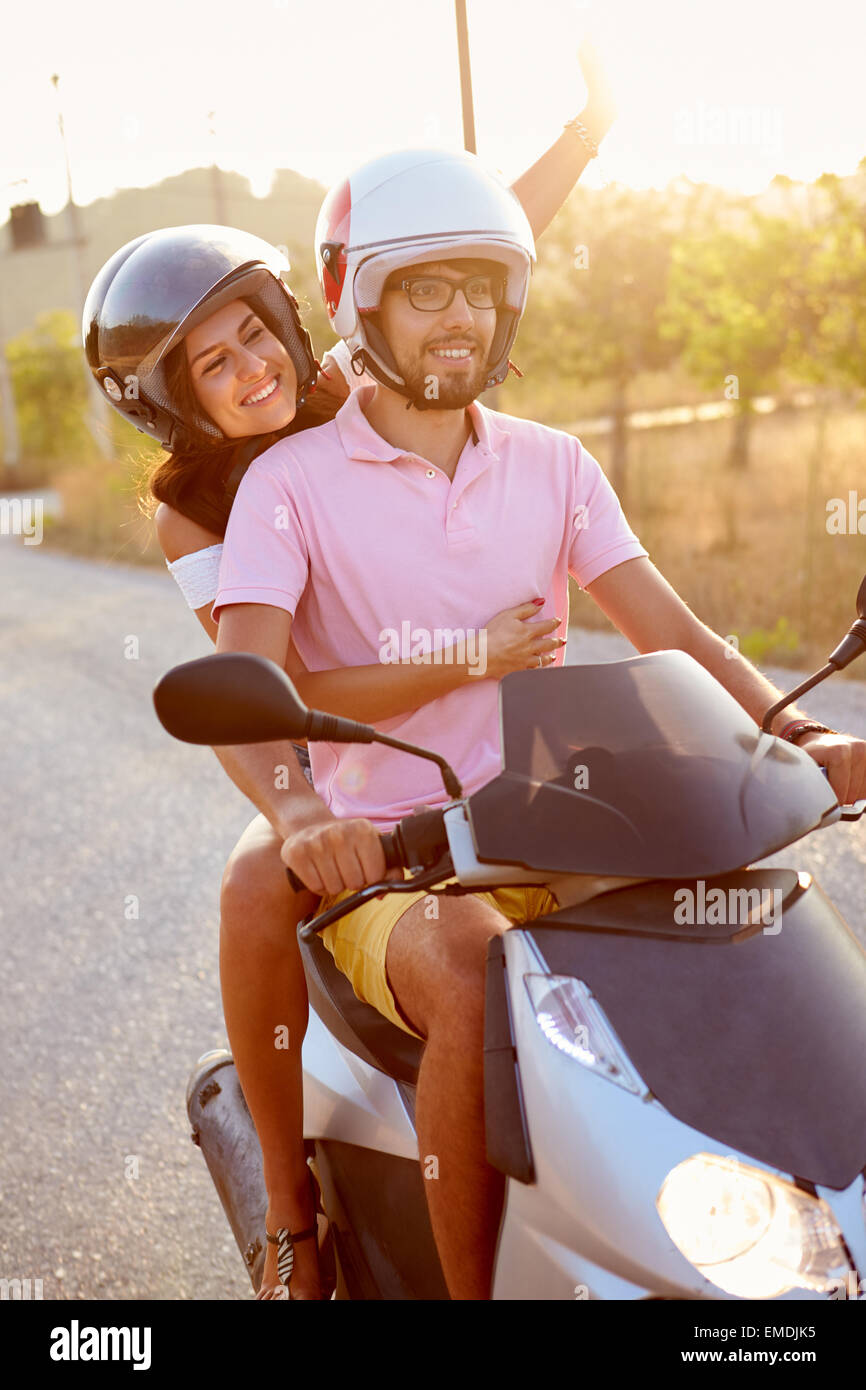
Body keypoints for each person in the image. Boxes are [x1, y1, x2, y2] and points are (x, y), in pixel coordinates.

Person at [211, 147, 866, 1300]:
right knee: (467, 966)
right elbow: (245, 683)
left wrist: (796, 742)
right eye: (426, 289)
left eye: (479, 288)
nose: (459, 317)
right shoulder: (290, 485)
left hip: (567, 839)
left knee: (747, 925)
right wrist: (305, 811)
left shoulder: (553, 465)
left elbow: (679, 638)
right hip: (401, 873)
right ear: (353, 296)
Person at [83, 48, 617, 1299]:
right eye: (211, 367)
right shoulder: (199, 519)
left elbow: (481, 241)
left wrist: (586, 135)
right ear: (172, 404)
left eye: (255, 339)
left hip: (461, 746)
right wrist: (302, 795)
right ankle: (288, 1210)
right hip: (321, 753)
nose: (253, 371)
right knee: (256, 876)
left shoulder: (349, 387)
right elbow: (260, 685)